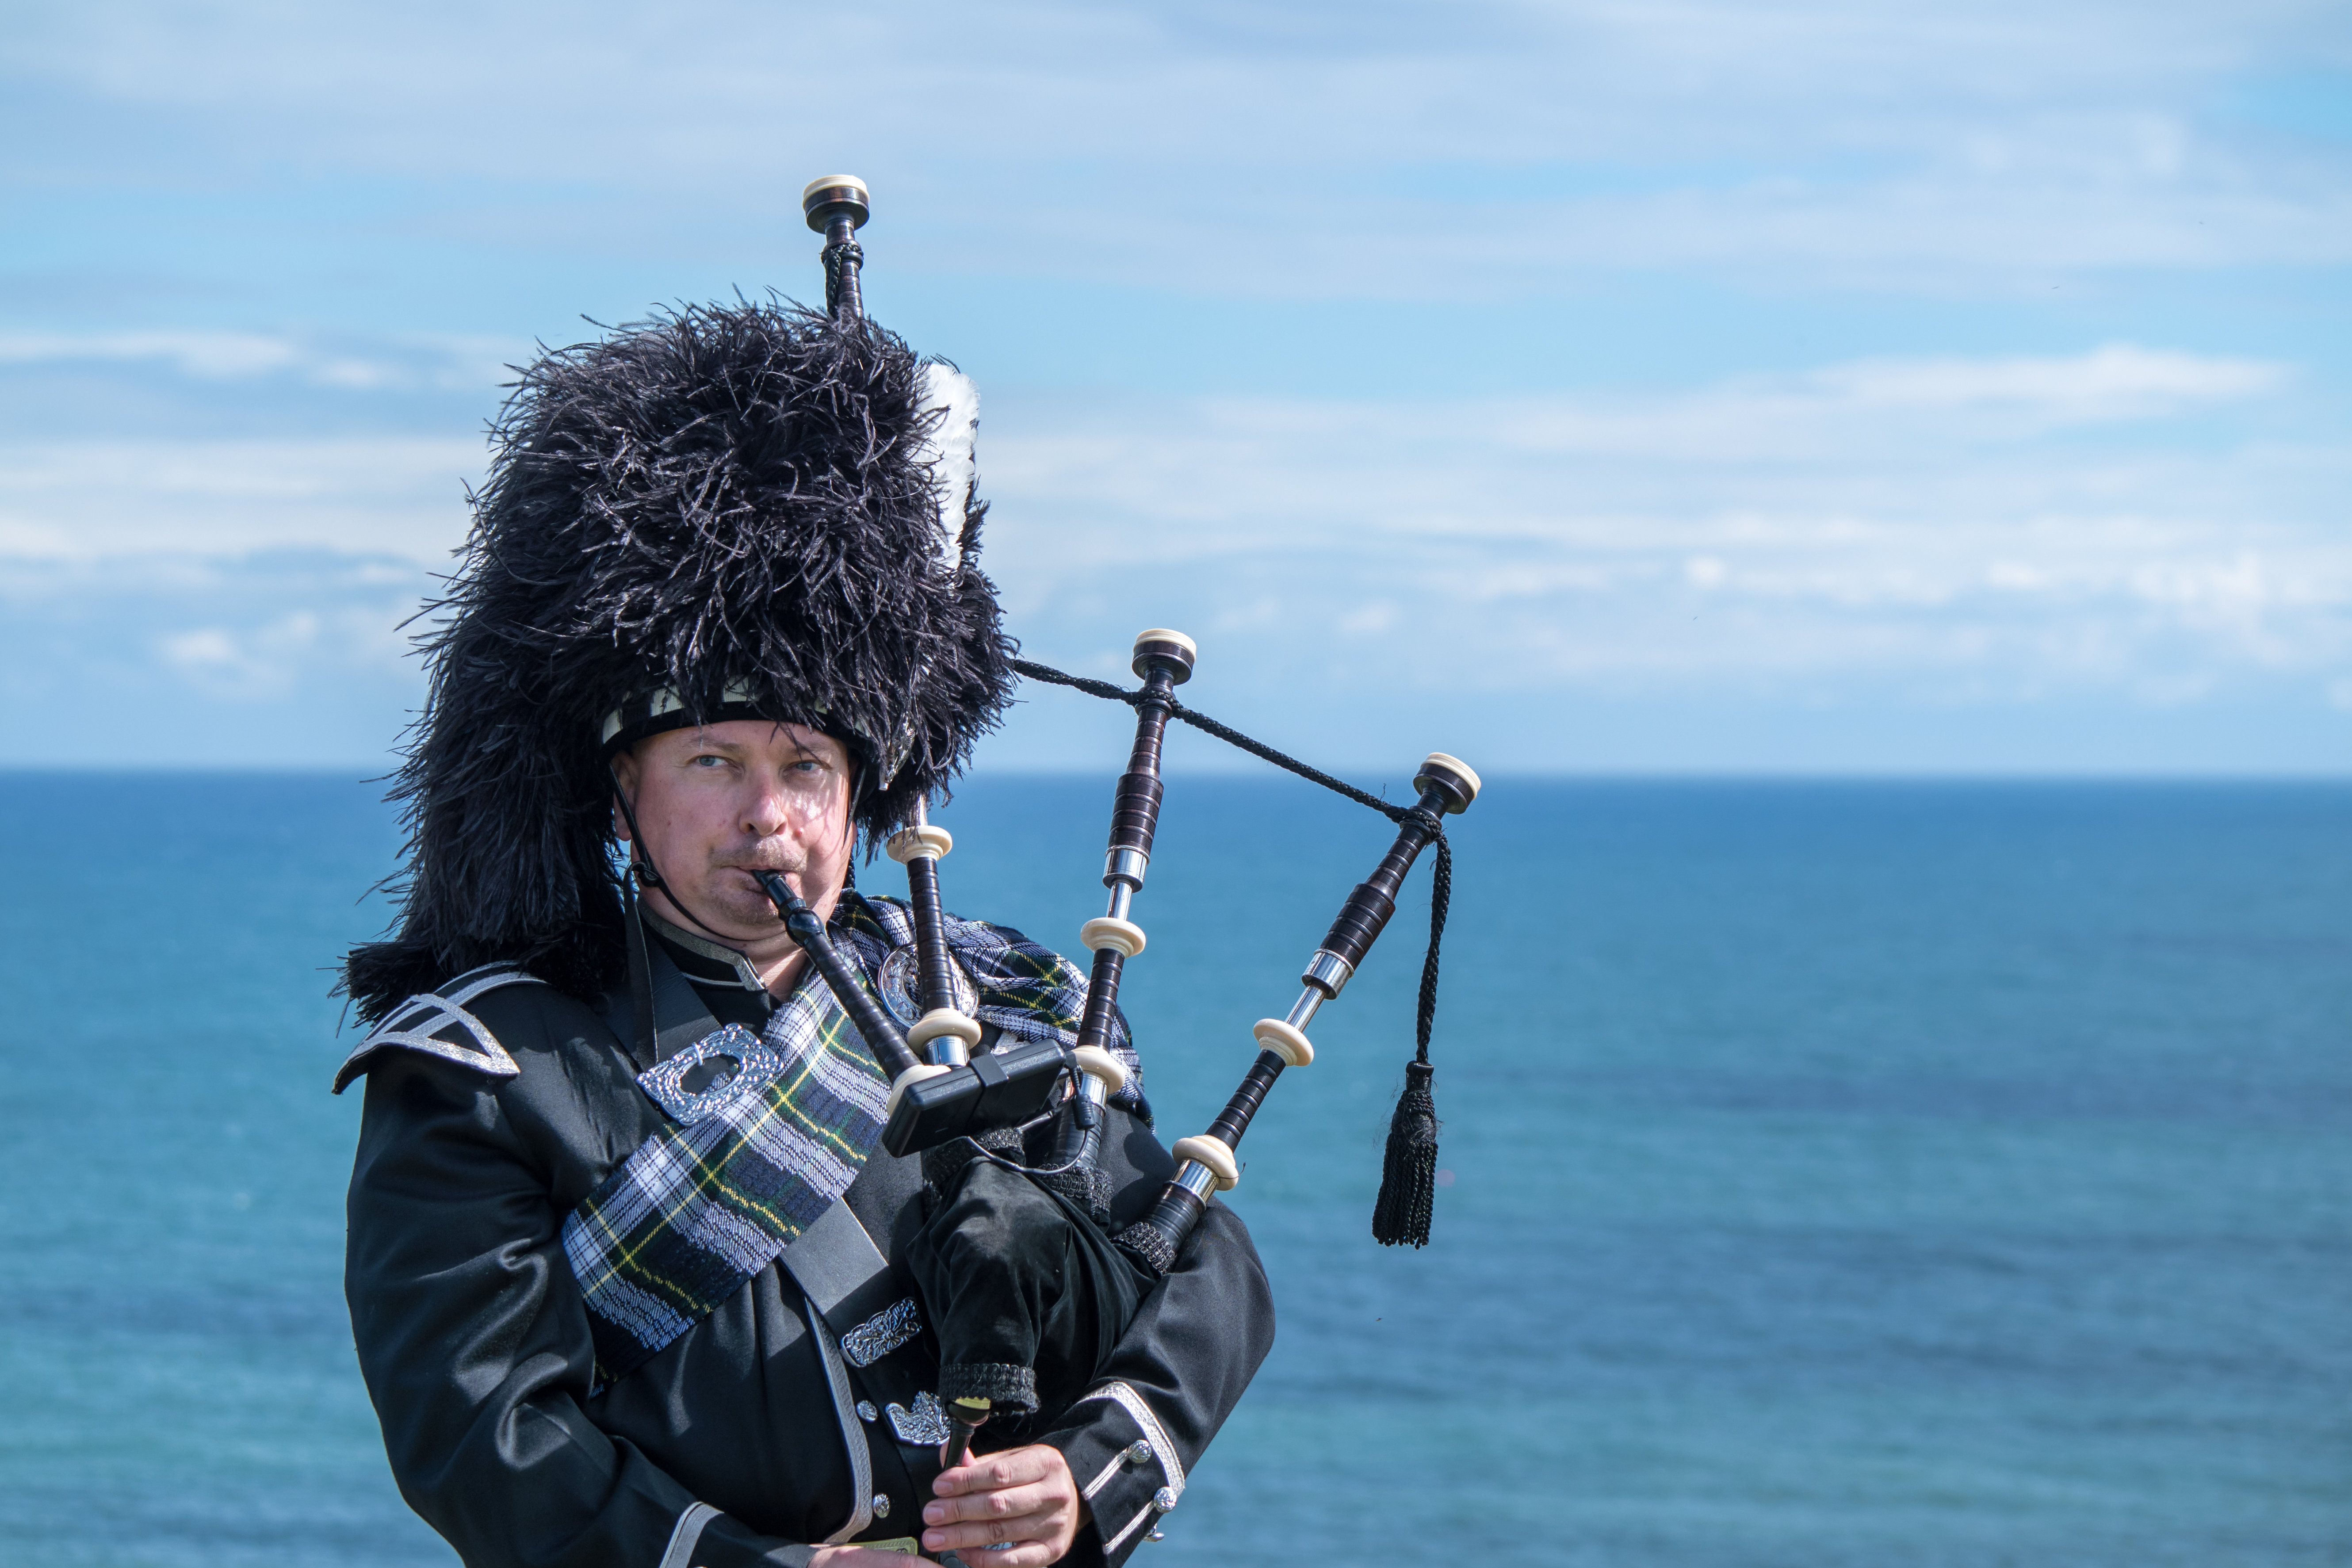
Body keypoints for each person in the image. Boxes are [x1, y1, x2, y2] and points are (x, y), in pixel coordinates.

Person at [335, 300, 1274, 1568]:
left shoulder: (988, 1001)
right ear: (623, 787)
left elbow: (1202, 1262)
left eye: (807, 765)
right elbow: (478, 1428)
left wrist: (1086, 1472)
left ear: (861, 793)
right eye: (713, 760)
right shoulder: (491, 1068)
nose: (766, 815)